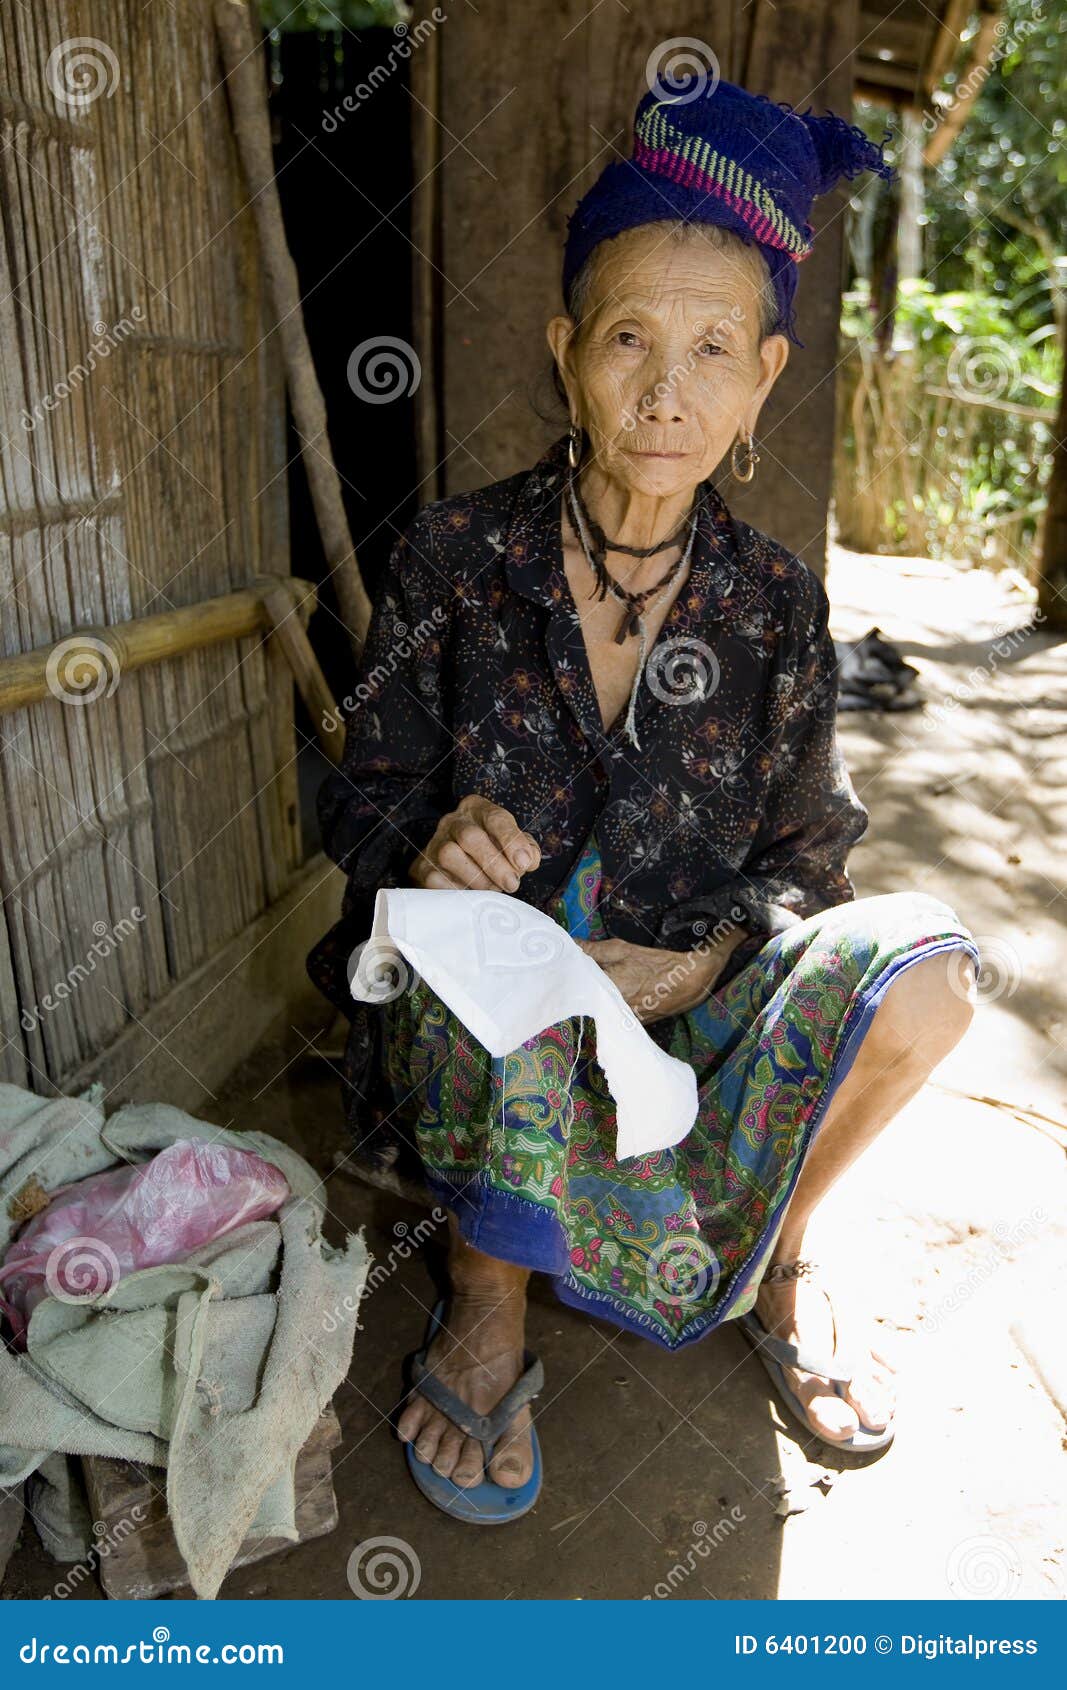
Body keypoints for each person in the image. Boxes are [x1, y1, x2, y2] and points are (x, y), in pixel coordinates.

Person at [307, 73, 980, 1519]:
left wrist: (697, 959)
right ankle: (489, 1303)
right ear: (567, 355)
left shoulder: (775, 603)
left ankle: (777, 1260)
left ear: (764, 378)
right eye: (628, 339)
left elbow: (814, 858)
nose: (666, 391)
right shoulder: (457, 561)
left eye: (711, 349)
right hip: (494, 1037)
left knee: (927, 972)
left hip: (681, 1015)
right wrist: (427, 839)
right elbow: (355, 807)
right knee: (472, 956)